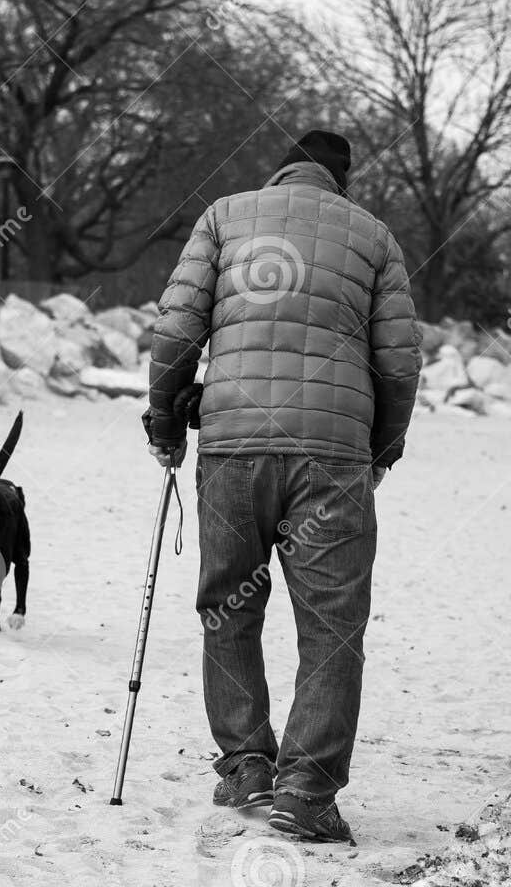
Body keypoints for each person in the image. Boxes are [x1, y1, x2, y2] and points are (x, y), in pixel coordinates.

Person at [146, 130, 421, 842]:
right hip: (331, 457)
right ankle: (305, 792)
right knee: (331, 624)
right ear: (342, 180)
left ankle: (244, 766)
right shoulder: (373, 237)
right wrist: (382, 444)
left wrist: (164, 421)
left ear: (280, 170)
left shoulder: (224, 216)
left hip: (233, 446)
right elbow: (398, 360)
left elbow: (176, 329)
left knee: (227, 604)